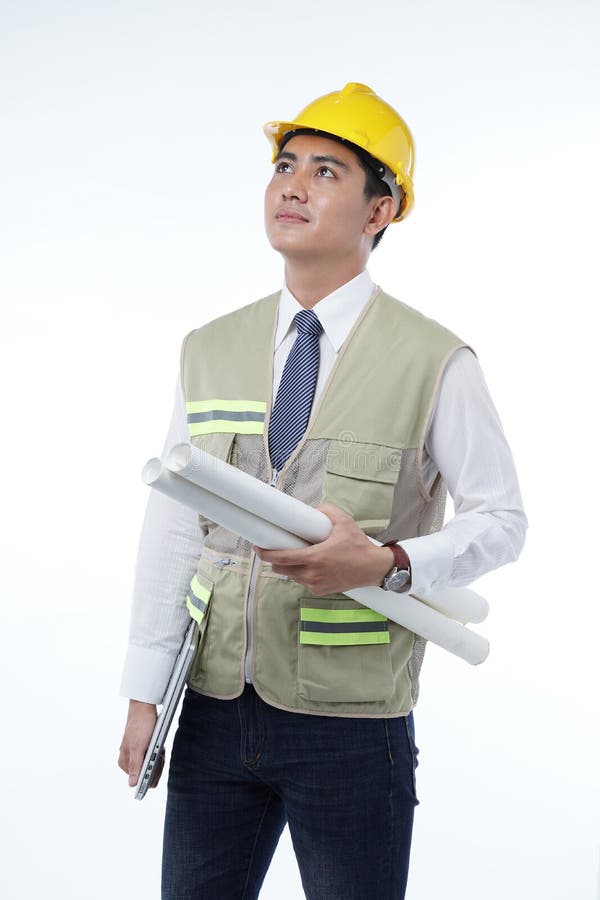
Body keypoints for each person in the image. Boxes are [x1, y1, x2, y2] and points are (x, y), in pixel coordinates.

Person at [118, 82, 527, 899]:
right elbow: (173, 525)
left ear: (382, 211)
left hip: (351, 727)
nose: (292, 187)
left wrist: (385, 562)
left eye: (328, 171)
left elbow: (503, 521)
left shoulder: (436, 361)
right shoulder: (210, 346)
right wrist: (142, 690)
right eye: (284, 165)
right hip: (210, 708)